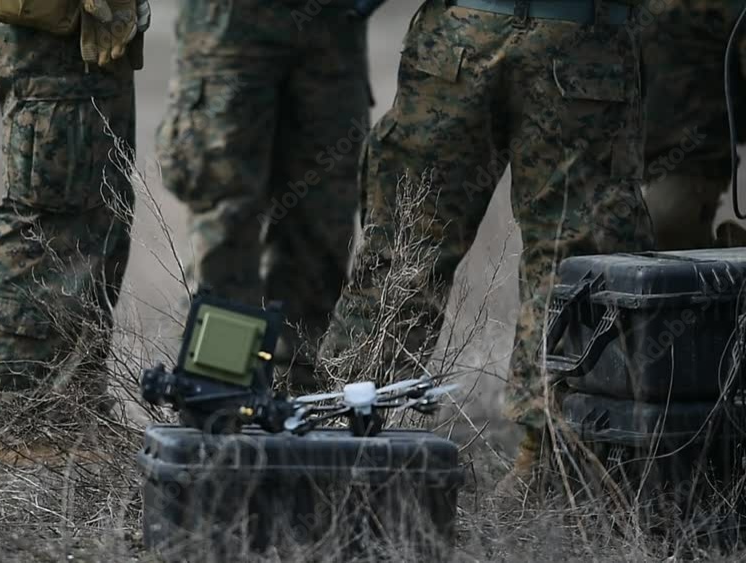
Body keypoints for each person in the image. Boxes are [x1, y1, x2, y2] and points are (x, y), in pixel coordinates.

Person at [317, 0, 655, 494]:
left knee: (408, 239)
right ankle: (553, 462)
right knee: (573, 261)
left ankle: (340, 435)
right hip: (579, 40)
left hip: (463, 36)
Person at [0, 0, 149, 474]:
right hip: (56, 32)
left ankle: (71, 417)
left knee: (98, 219)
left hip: (83, 28)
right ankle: (12, 427)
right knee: (46, 222)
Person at [155, 0, 372, 392]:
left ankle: (297, 398)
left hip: (333, 28)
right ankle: (221, 393)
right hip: (230, 26)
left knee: (323, 223)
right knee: (227, 227)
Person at [641, 0, 746, 251]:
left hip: (697, 157)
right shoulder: (644, 11)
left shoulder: (732, 12)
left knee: (666, 222)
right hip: (643, 157)